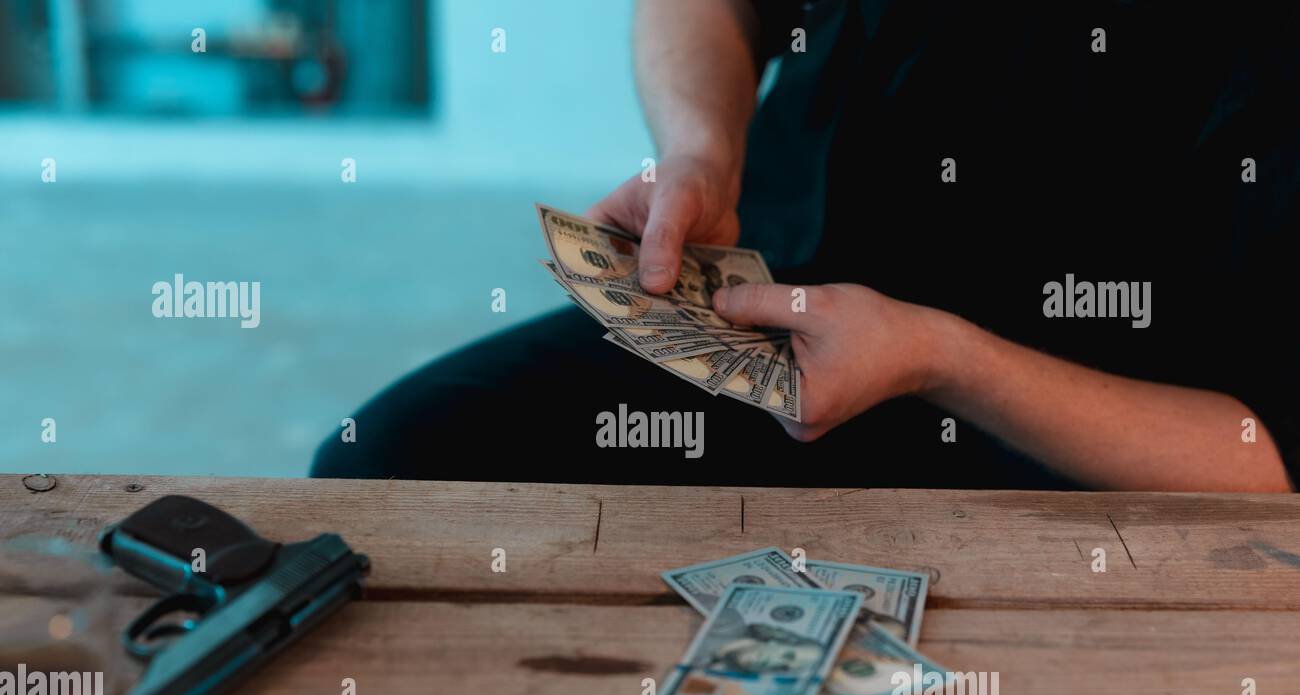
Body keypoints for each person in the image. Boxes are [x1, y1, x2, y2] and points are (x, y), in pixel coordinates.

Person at [312, 0, 1299, 491]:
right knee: (388, 465)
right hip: (766, 305)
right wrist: (703, 147)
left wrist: (937, 358)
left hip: (1060, 424)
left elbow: (1268, 450)